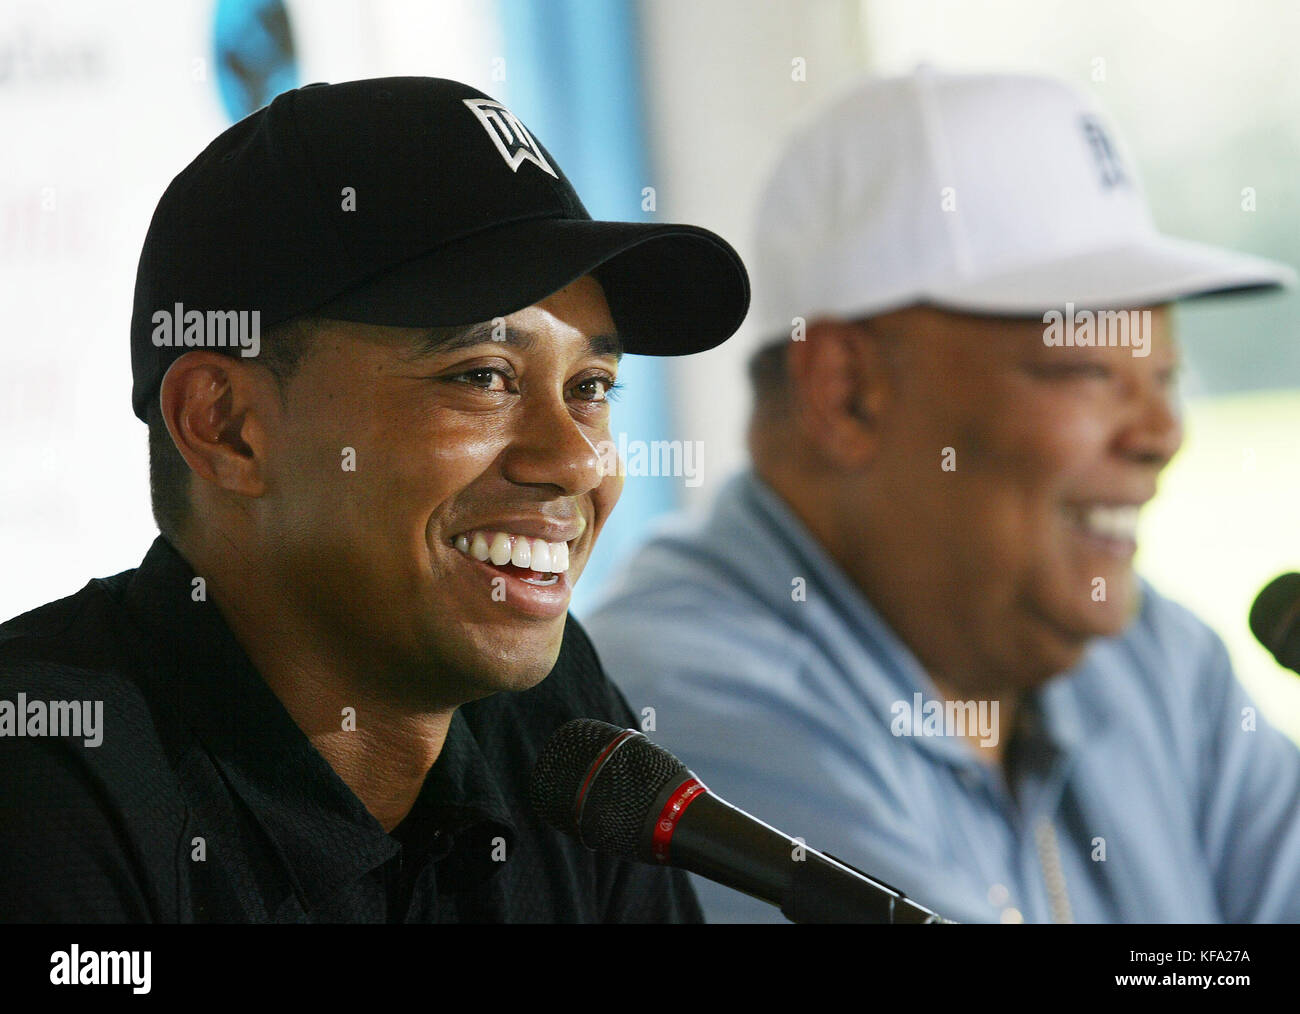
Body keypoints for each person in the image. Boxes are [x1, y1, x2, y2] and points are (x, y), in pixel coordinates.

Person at [0, 76, 750, 923]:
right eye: (483, 376)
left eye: (591, 385)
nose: (578, 461)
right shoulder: (42, 781)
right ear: (227, 427)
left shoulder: (552, 725)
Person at [584, 67, 1300, 923]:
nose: (1160, 434)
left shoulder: (1163, 667)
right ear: (846, 392)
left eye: (1167, 378)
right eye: (1087, 370)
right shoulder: (676, 701)